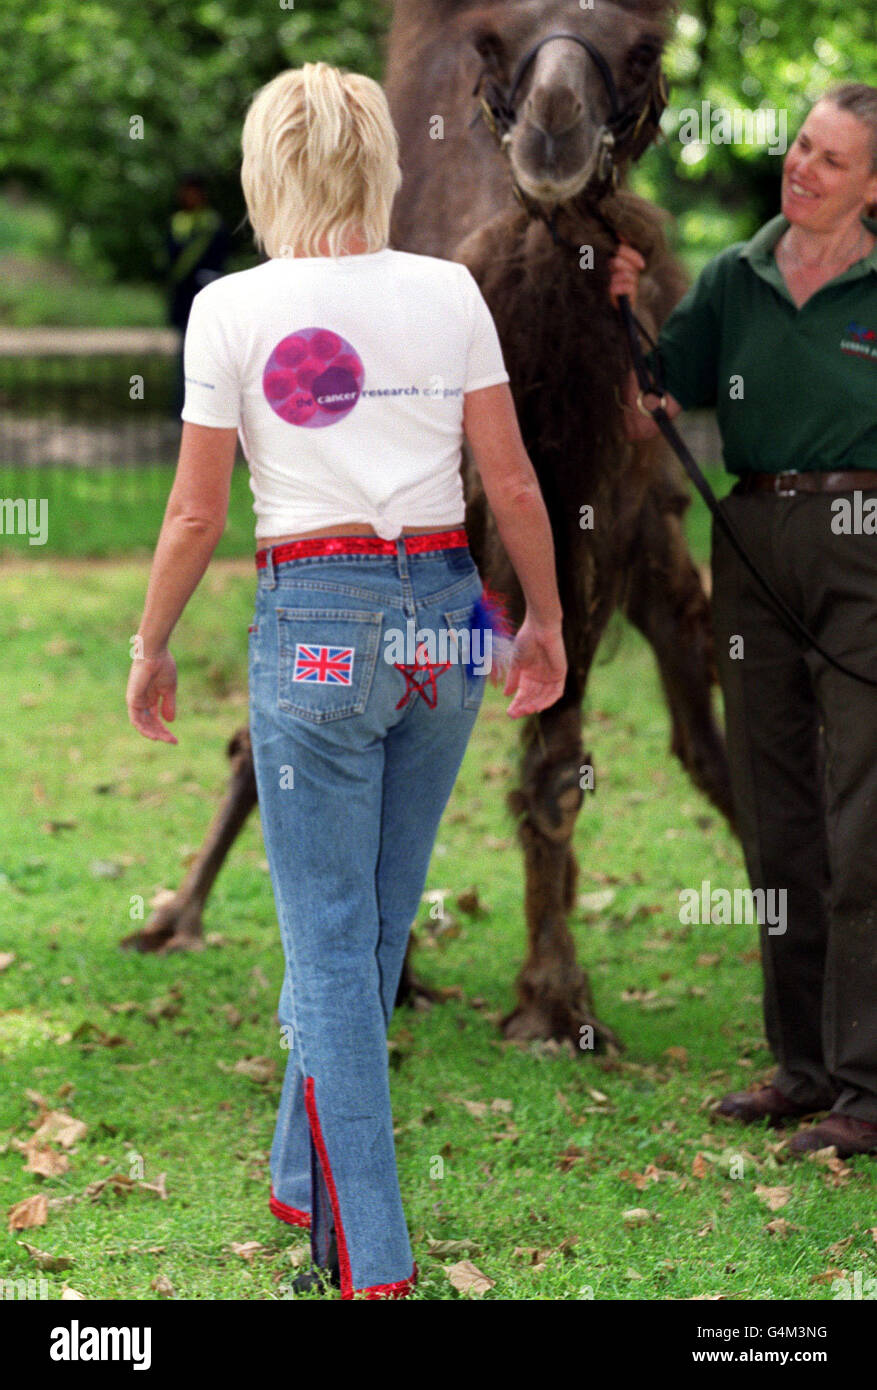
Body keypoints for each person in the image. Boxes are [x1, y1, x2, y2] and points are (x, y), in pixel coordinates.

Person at [126, 62, 567, 1297]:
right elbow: (513, 480)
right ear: (381, 165)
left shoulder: (230, 308)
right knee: (372, 919)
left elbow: (195, 513)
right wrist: (540, 616)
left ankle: (370, 1253)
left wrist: (150, 644)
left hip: (316, 622)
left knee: (328, 940)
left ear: (271, 171)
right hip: (444, 620)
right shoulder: (447, 291)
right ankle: (299, 1173)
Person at [609, 84, 877, 1158]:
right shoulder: (733, 277)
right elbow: (654, 398)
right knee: (775, 813)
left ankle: (864, 1081)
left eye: (829, 161)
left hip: (863, 545)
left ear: (871, 187)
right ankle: (802, 1065)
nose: (800, 169)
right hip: (752, 539)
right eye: (799, 146)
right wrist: (623, 318)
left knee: (863, 822)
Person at [165, 173, 229, 414]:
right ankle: (182, 409)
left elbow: (220, 260)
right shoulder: (177, 222)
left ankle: (208, 410)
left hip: (207, 300)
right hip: (183, 302)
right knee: (184, 356)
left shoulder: (213, 224)